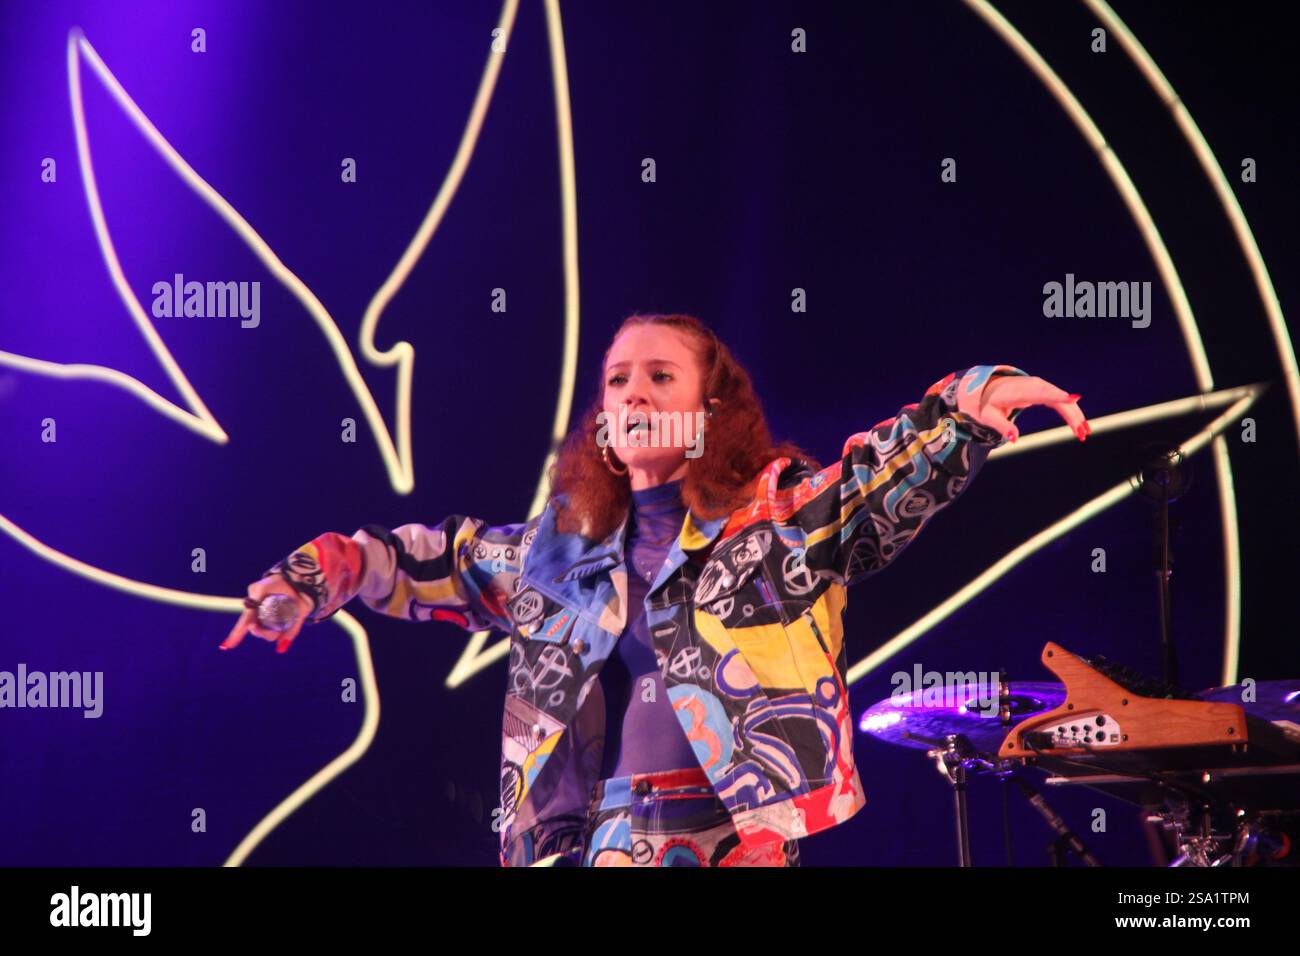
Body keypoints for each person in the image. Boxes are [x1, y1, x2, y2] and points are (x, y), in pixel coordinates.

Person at [222, 313, 1088, 866]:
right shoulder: (557, 557)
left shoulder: (777, 520)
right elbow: (423, 559)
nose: (633, 390)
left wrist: (973, 403)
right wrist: (312, 576)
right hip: (595, 842)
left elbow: (875, 479)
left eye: (661, 376)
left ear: (709, 412)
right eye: (617, 379)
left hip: (736, 839)